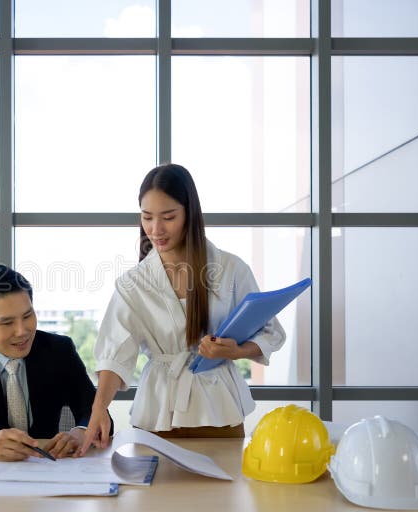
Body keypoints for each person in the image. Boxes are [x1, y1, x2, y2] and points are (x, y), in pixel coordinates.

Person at [78, 164, 285, 455]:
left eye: (168, 217)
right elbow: (114, 355)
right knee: (154, 496)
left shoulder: (231, 269)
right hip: (157, 411)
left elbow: (270, 332)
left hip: (219, 410)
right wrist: (99, 408)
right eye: (147, 217)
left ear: (190, 213)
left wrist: (234, 351)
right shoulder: (133, 283)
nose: (155, 229)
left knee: (222, 496)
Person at [0, 264, 108, 461]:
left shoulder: (59, 350)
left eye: (27, 316)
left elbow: (94, 409)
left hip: (48, 468)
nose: (22, 331)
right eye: (7, 323)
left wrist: (82, 432)